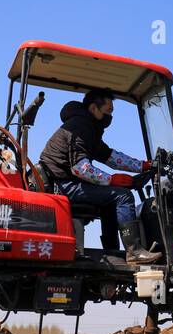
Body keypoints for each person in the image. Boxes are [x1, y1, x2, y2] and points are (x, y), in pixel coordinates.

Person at [37, 88, 162, 264]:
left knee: (111, 199)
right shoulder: (81, 127)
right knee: (123, 196)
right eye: (108, 111)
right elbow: (80, 168)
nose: (110, 117)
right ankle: (134, 252)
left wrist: (143, 165)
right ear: (94, 109)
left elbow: (109, 156)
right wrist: (112, 179)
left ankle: (113, 253)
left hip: (65, 182)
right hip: (63, 186)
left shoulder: (88, 127)